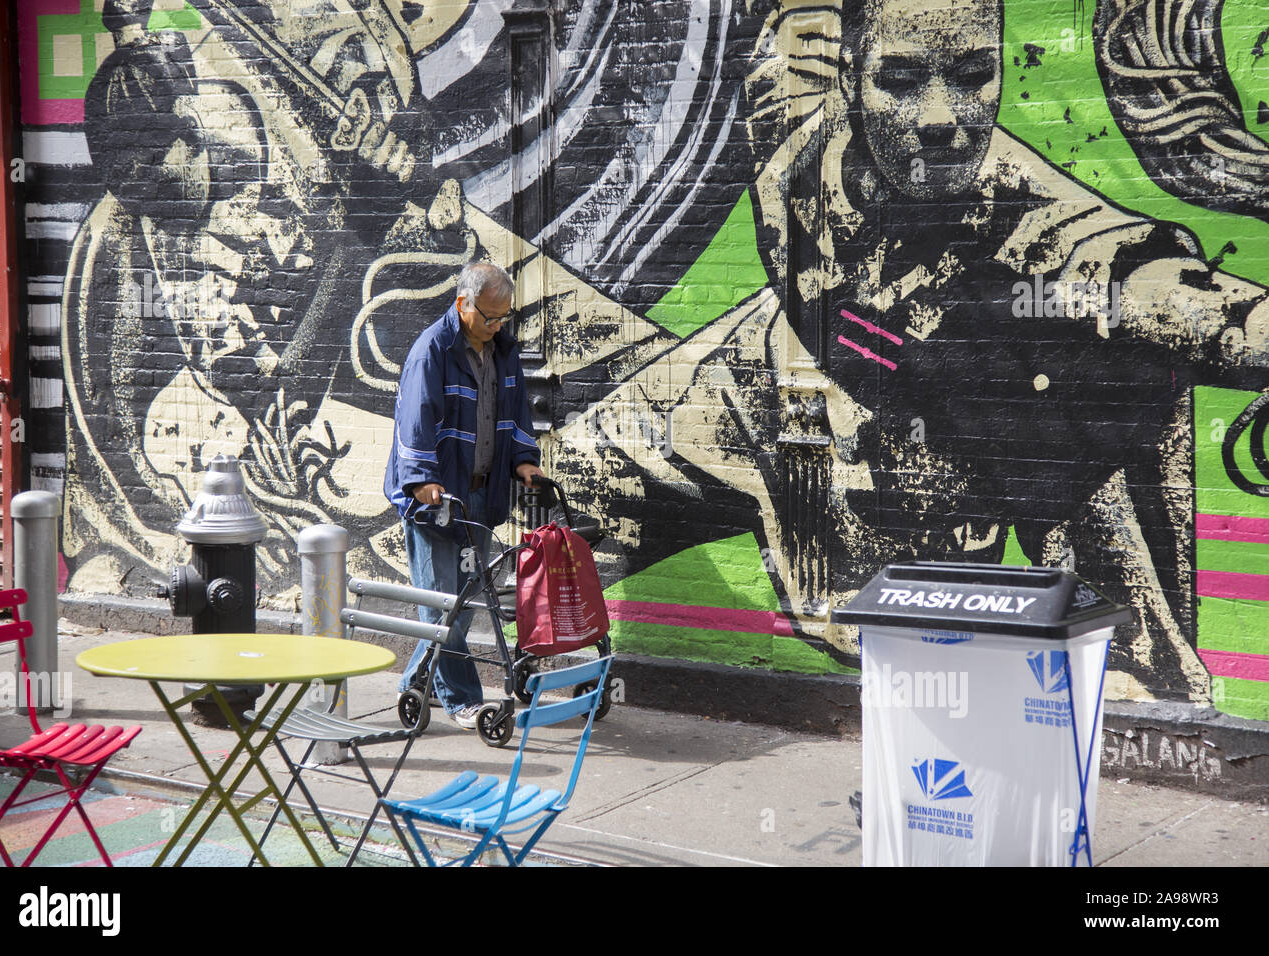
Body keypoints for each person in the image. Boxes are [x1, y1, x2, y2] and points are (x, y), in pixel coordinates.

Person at [550, 0, 1269, 702]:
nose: (939, 119)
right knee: (539, 524)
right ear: (852, 77)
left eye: (973, 74)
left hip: (914, 458)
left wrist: (1245, 326)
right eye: (897, 81)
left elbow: (1141, 279)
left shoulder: (1022, 206)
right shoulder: (795, 114)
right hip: (743, 390)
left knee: (1101, 419)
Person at [384, 261, 543, 727]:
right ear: (462, 303)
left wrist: (523, 461)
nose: (496, 327)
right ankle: (463, 700)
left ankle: (416, 682)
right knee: (442, 603)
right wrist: (421, 480)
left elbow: (514, 417)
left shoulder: (504, 352)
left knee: (464, 603)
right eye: (489, 317)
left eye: (503, 318)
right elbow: (415, 420)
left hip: (481, 496)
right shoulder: (432, 350)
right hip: (436, 501)